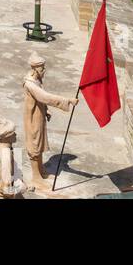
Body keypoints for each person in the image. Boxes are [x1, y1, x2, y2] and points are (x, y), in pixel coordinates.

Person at [22, 54, 78, 191]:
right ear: (35, 69)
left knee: (39, 144)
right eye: (42, 68)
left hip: (38, 116)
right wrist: (67, 100)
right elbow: (43, 96)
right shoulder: (30, 83)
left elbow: (40, 99)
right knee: (34, 146)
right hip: (32, 119)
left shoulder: (37, 80)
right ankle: (36, 177)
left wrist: (45, 110)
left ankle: (40, 170)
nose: (44, 70)